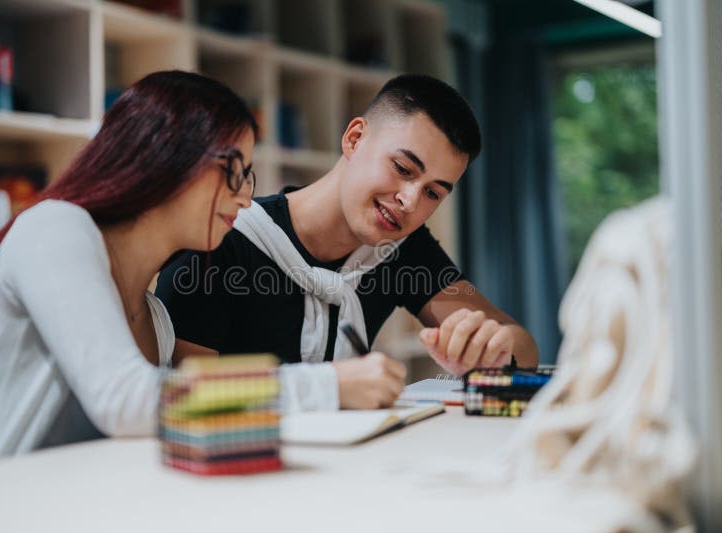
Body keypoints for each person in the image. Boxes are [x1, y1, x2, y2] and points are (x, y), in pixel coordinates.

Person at [0, 71, 257, 469]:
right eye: (234, 168)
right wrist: (331, 386)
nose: (245, 197)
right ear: (164, 151)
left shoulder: (158, 323)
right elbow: (124, 400)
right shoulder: (54, 228)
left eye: (249, 176)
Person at [156, 74, 538, 412]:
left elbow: (523, 347)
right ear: (355, 139)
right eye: (403, 169)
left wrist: (494, 344)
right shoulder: (221, 238)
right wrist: (330, 389)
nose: (410, 201)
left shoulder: (402, 249)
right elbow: (186, 394)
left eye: (433, 193)